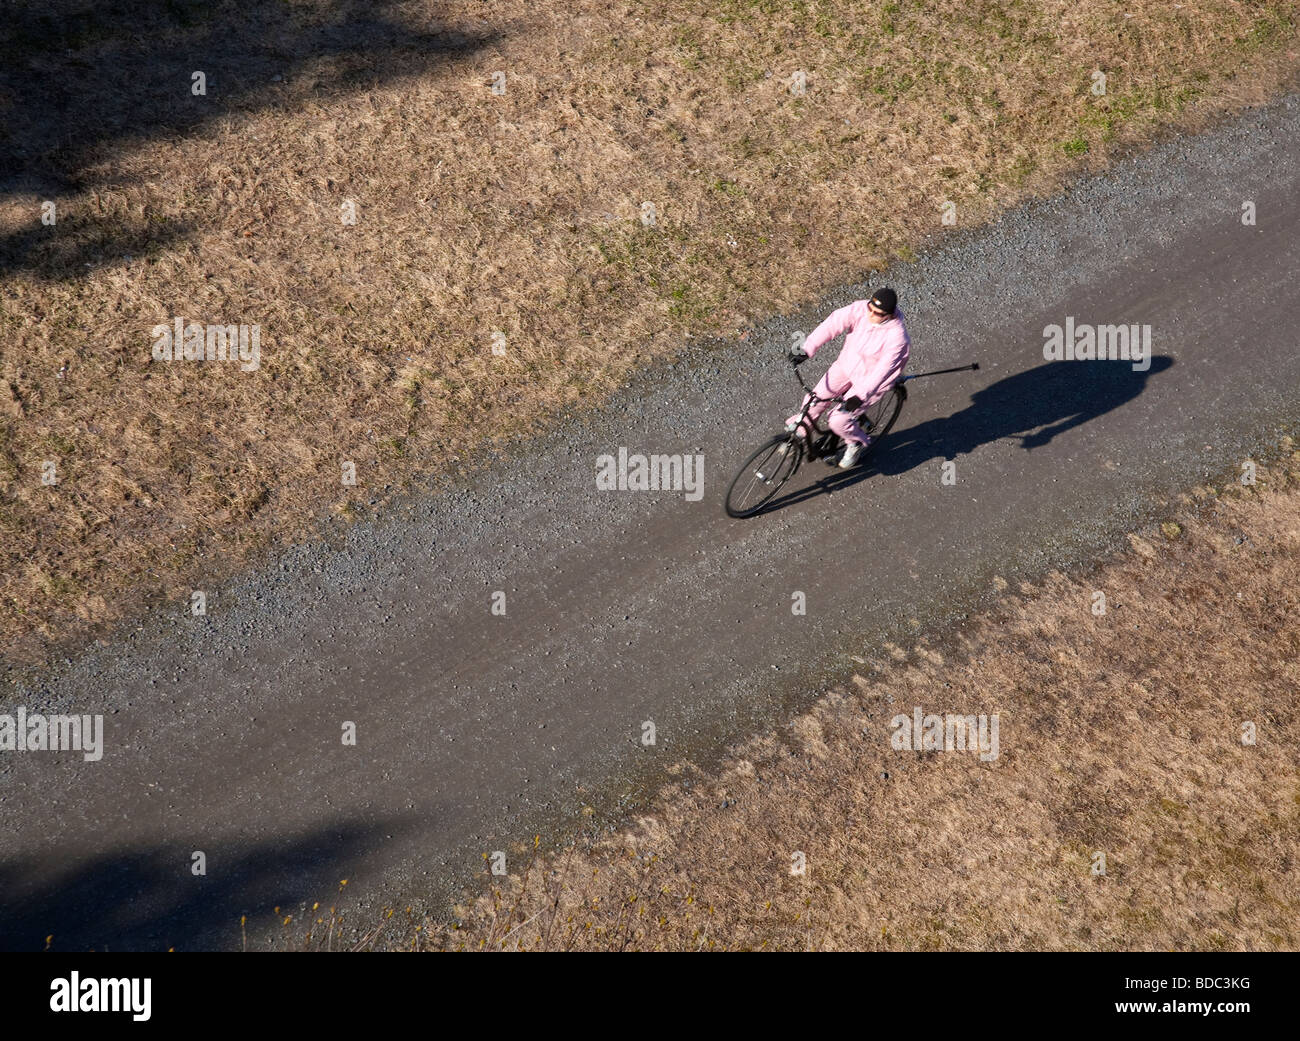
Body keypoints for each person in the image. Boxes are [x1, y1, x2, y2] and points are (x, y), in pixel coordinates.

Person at [787, 286, 910, 468]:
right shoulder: (860, 309)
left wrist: (858, 397)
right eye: (870, 308)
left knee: (838, 419)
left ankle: (856, 442)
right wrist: (806, 348)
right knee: (813, 400)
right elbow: (833, 323)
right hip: (845, 366)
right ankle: (800, 433)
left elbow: (881, 373)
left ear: (890, 315)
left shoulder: (897, 338)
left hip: (869, 382)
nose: (871, 315)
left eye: (878, 313)